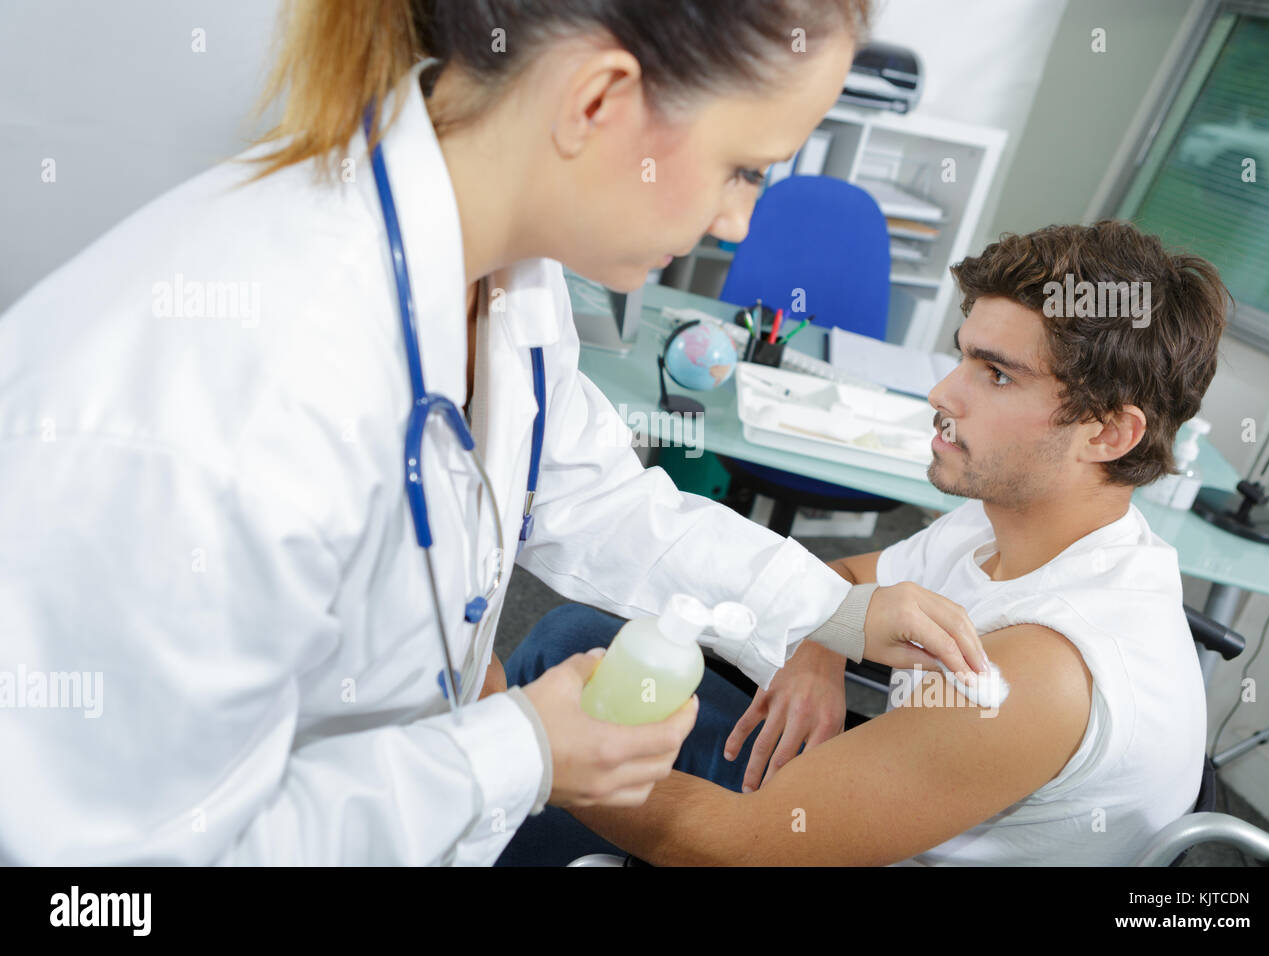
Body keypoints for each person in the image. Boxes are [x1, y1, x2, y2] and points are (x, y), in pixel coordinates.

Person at [0, 0, 988, 865]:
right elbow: (116, 877)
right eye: (743, 169)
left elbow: (593, 496)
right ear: (598, 101)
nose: (739, 224)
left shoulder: (512, 283)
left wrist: (833, 608)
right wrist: (521, 747)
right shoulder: (234, 396)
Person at [500, 220, 1230, 866]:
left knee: (558, 711)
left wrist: (534, 752)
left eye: (997, 374)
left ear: (1109, 432)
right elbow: (850, 578)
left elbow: (741, 847)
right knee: (576, 642)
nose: (943, 393)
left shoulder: (1048, 671)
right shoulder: (1011, 518)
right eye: (964, 355)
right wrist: (820, 648)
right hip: (888, 781)